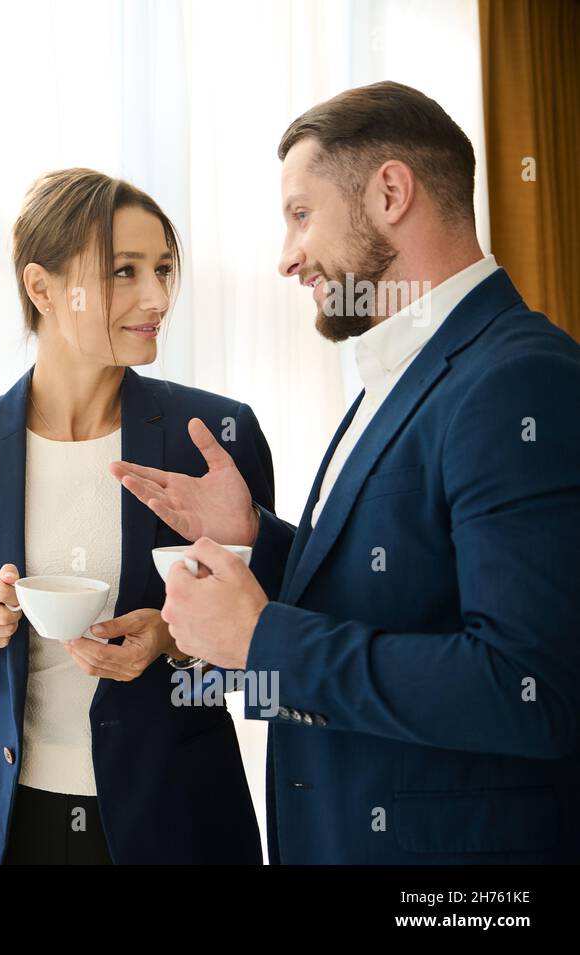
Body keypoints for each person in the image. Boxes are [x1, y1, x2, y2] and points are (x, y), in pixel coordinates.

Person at [121, 82, 580, 863]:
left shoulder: (520, 379)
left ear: (391, 191)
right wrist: (256, 541)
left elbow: (529, 687)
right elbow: (408, 586)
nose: (287, 256)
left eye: (302, 214)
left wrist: (264, 639)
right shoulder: (395, 371)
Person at [0, 167, 282, 864]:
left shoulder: (213, 432)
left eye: (162, 269)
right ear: (43, 288)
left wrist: (175, 640)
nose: (157, 297)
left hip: (174, 816)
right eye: (124, 271)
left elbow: (275, 641)